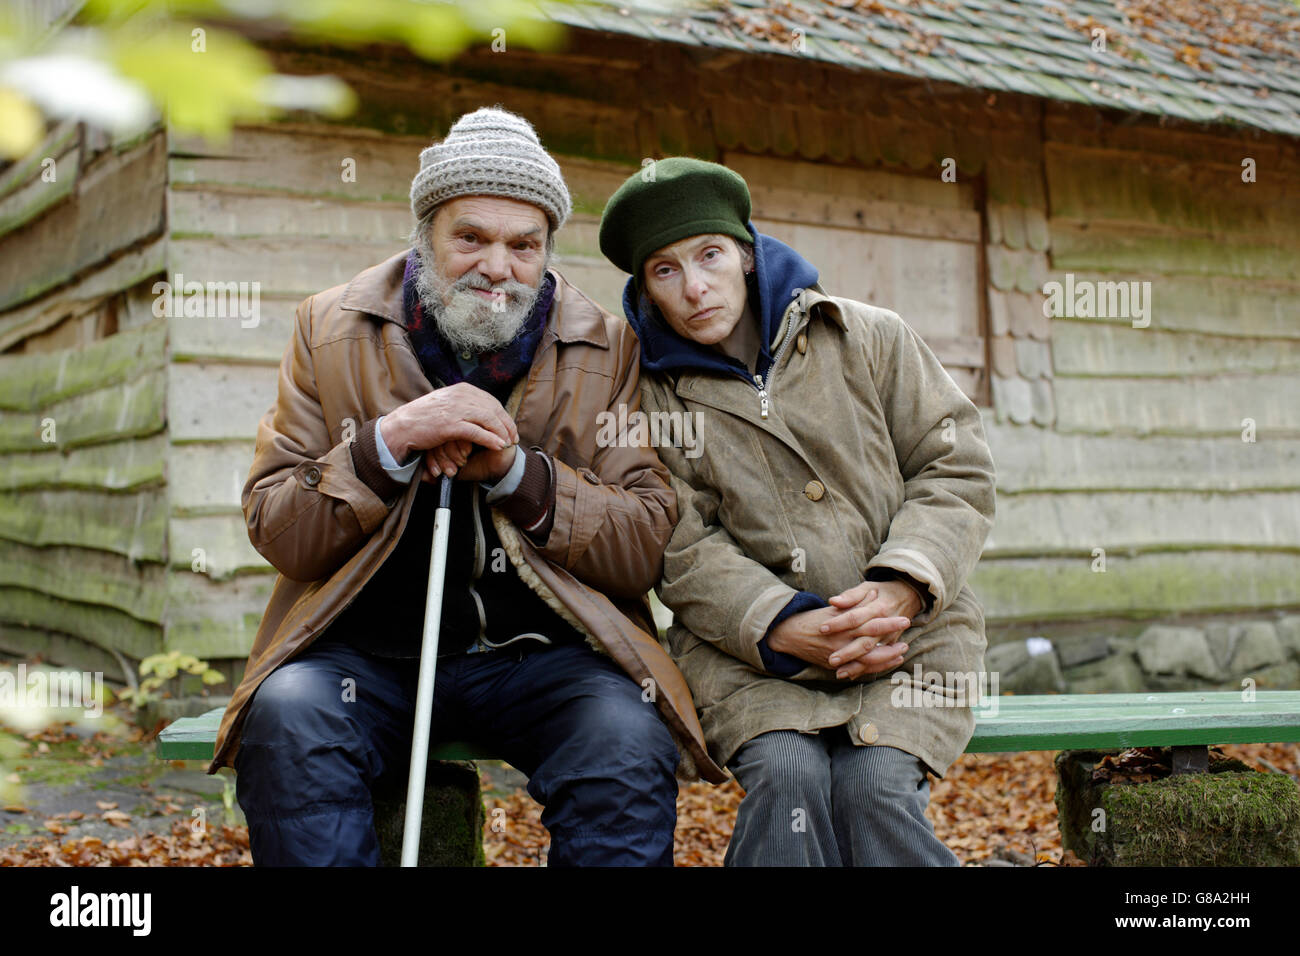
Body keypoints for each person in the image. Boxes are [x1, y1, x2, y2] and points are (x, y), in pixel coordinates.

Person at [209, 110, 726, 867]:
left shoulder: (607, 346)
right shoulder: (329, 328)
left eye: (525, 245)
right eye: (471, 238)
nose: (498, 266)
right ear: (426, 235)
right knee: (287, 717)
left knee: (625, 735)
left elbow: (646, 538)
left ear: (548, 249)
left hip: (546, 657)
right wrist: (386, 446)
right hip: (363, 658)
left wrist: (520, 477)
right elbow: (277, 525)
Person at [598, 157, 997, 866]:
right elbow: (681, 544)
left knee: (874, 785)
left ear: (746, 255)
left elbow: (954, 467)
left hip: (911, 644)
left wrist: (903, 585)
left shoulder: (869, 337)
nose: (693, 287)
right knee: (787, 777)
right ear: (645, 288)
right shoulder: (650, 396)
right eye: (664, 270)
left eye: (710, 255)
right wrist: (782, 624)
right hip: (747, 659)